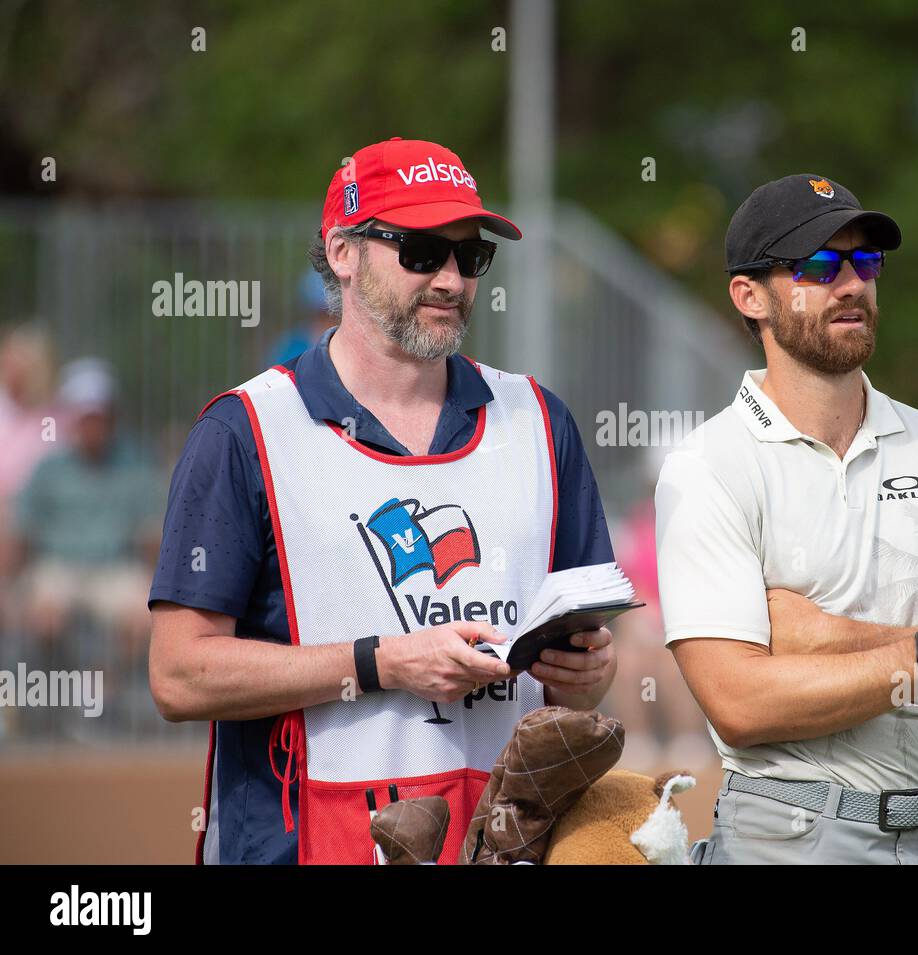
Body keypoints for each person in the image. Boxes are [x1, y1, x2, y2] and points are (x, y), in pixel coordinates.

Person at [148, 137, 616, 865]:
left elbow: (580, 670)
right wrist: (380, 663)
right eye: (423, 252)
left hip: (499, 844)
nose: (452, 279)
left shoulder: (540, 421)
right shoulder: (245, 431)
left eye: (470, 256)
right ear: (343, 251)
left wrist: (588, 675)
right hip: (296, 845)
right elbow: (177, 673)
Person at [654, 173, 918, 864]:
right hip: (789, 838)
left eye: (865, 262)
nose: (851, 283)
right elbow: (741, 703)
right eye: (818, 265)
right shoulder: (707, 464)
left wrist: (824, 637)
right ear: (749, 296)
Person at [11, 358, 160, 672]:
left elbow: (151, 533)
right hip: (58, 568)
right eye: (85, 417)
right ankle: (59, 694)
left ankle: (104, 687)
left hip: (115, 568)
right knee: (44, 616)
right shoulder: (48, 468)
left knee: (146, 617)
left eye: (99, 416)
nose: (93, 426)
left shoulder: (136, 465)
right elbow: (22, 529)